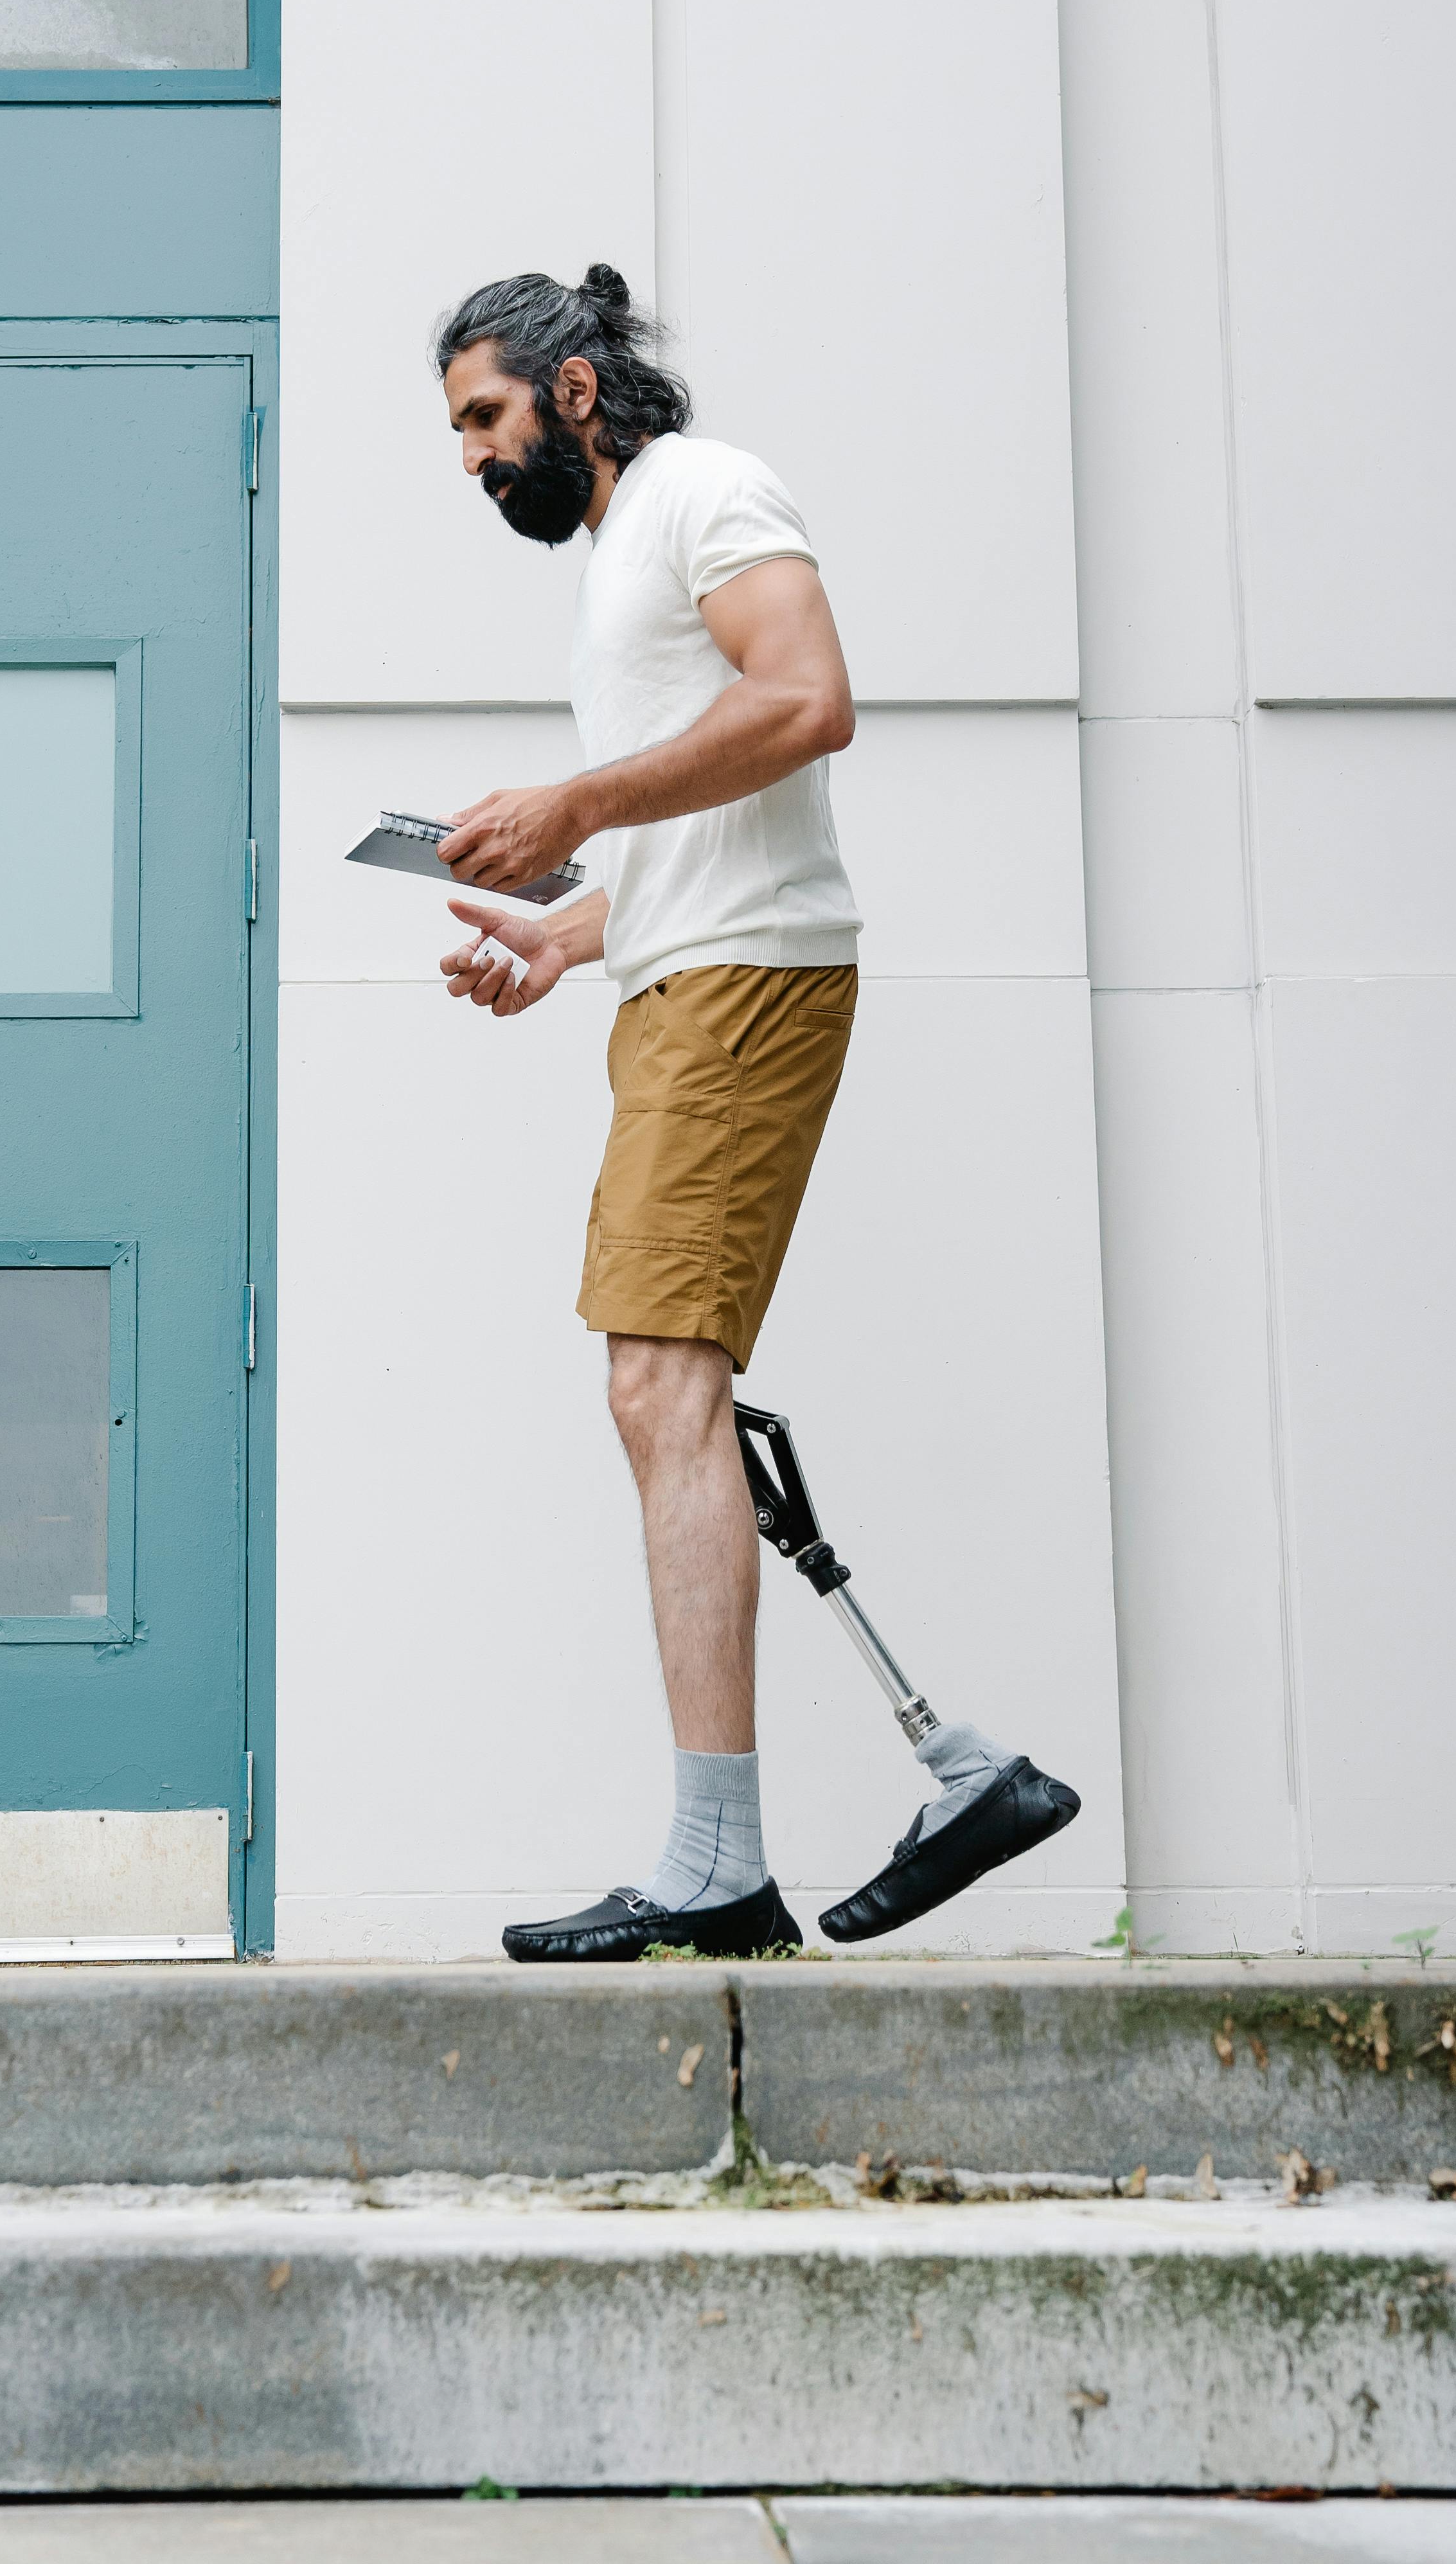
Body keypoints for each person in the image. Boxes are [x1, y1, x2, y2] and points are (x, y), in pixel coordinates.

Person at [431, 261, 1080, 1962]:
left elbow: (807, 703)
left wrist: (570, 797)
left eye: (487, 418)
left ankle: (717, 1861)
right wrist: (564, 941)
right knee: (666, 1399)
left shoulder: (706, 493)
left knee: (661, 1378)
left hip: (743, 989)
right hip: (675, 979)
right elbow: (683, 836)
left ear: (575, 391)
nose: (476, 458)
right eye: (458, 437)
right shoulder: (612, 566)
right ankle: (944, 1772)